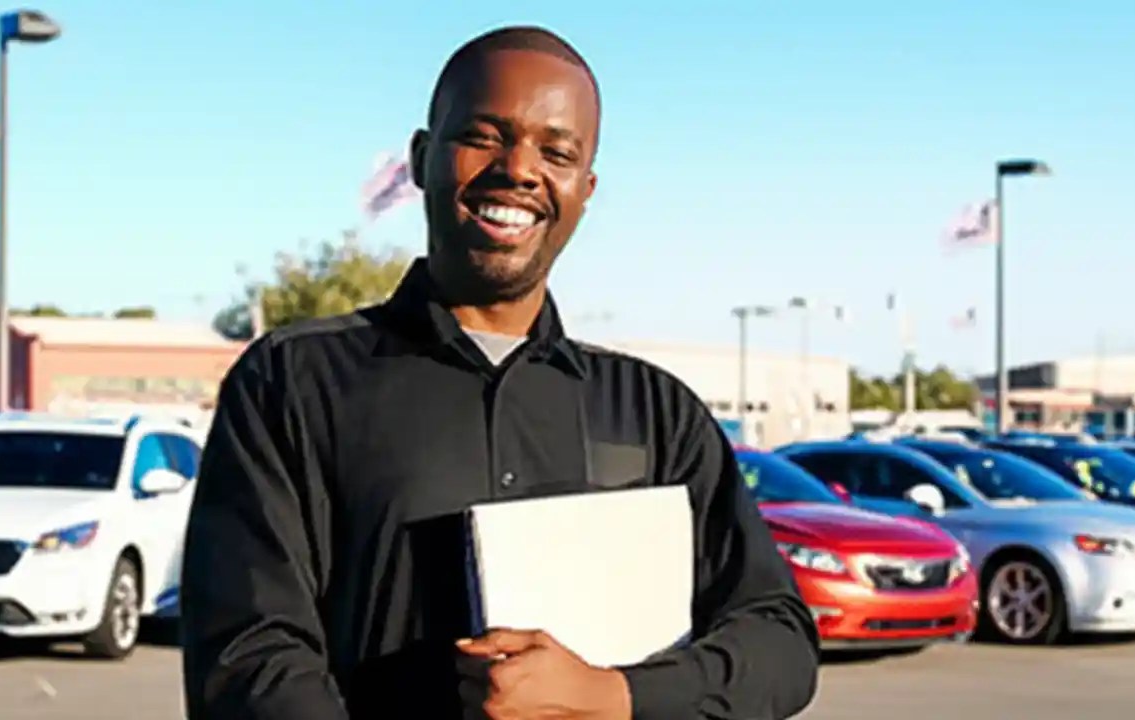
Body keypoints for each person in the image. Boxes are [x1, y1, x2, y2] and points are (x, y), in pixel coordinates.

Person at [180, 25, 819, 720]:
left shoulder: (657, 414)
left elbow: (779, 641)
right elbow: (248, 661)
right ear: (423, 159)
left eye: (557, 151)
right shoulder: (292, 383)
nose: (518, 169)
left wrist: (614, 696)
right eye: (485, 136)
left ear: (585, 187)